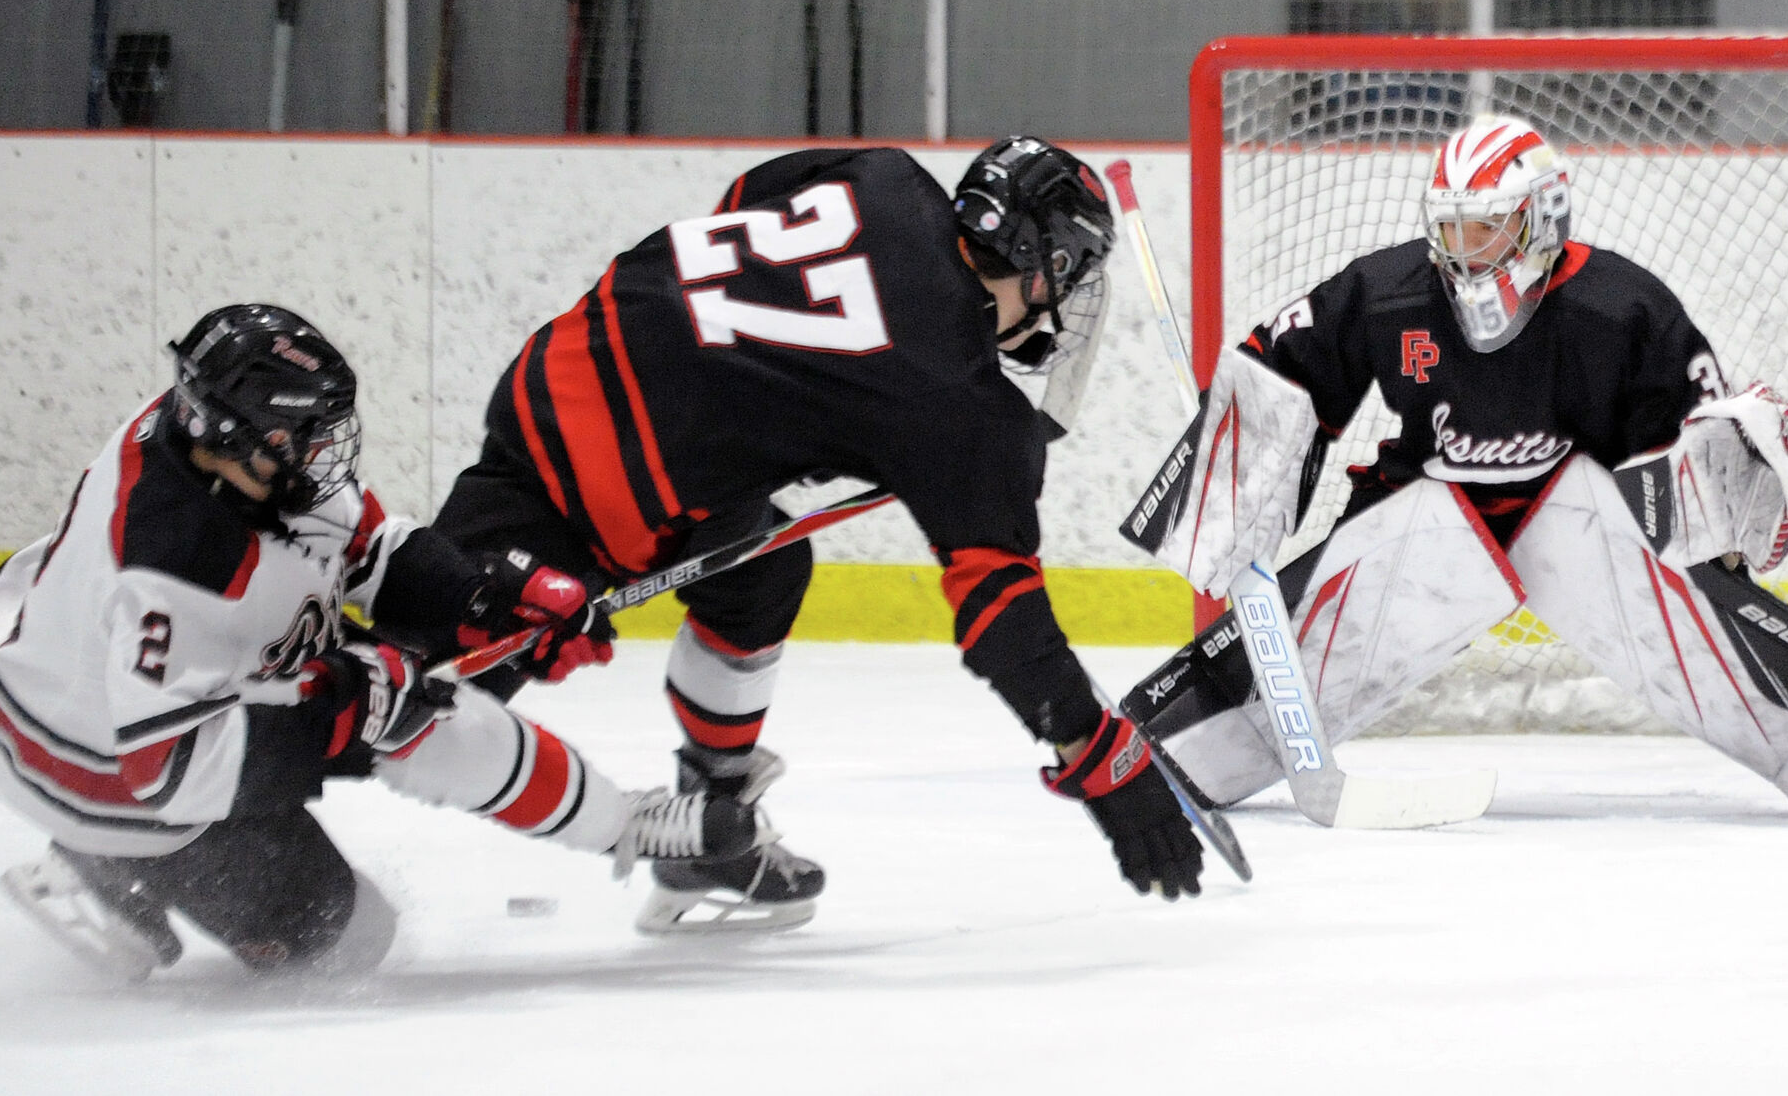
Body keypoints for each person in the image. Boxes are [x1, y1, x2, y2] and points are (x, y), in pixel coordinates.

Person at [431, 136, 1206, 932]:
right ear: (1041, 265)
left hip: (560, 364)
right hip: (608, 493)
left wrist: (782, 397)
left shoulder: (884, 175)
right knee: (402, 701)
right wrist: (1099, 750)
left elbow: (741, 205)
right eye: (1068, 277)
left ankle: (714, 817)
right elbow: (1002, 623)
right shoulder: (960, 402)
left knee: (761, 569)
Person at [1123, 115, 1788, 820]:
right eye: (1453, 231)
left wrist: (1717, 516)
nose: (1465, 254)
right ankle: (1177, 748)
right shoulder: (1389, 292)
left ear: (1542, 217)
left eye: (1487, 230)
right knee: (1331, 615)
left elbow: (1680, 454)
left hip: (1573, 514)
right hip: (1428, 508)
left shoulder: (1620, 307)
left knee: (1674, 612)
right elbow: (1281, 367)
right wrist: (1233, 467)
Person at [0, 303, 759, 982]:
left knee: (425, 707)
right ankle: (106, 866)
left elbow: (371, 548)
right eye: (301, 434)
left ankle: (624, 823)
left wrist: (487, 595)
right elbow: (168, 774)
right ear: (239, 436)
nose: (324, 451)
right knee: (344, 939)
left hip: (133, 683)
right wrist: (351, 701)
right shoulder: (171, 561)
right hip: (92, 768)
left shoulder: (233, 461)